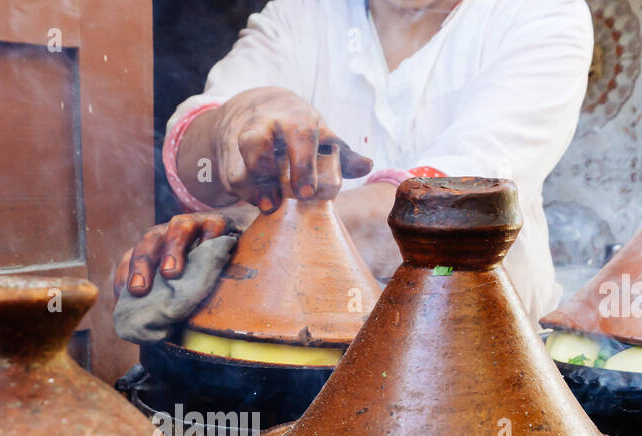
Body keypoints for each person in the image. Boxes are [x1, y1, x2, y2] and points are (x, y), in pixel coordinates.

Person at [116, 0, 593, 323]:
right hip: (299, 359)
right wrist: (232, 124)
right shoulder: (304, 13)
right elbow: (194, 165)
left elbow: (442, 211)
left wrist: (242, 241)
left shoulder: (542, 13)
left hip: (478, 356)